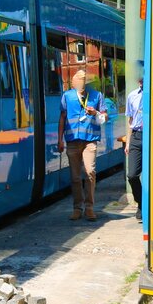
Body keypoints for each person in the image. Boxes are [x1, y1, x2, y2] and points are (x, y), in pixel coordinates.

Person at [57, 69, 105, 221]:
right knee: (75, 177)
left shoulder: (97, 95)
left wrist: (95, 113)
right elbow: (63, 117)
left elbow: (104, 116)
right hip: (72, 141)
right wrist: (59, 139)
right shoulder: (67, 96)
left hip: (89, 140)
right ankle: (77, 208)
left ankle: (89, 208)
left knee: (90, 172)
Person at [125, 69, 145, 220]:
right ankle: (141, 202)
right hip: (137, 136)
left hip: (152, 135)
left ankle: (149, 207)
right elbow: (130, 120)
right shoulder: (132, 96)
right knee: (132, 175)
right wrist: (128, 142)